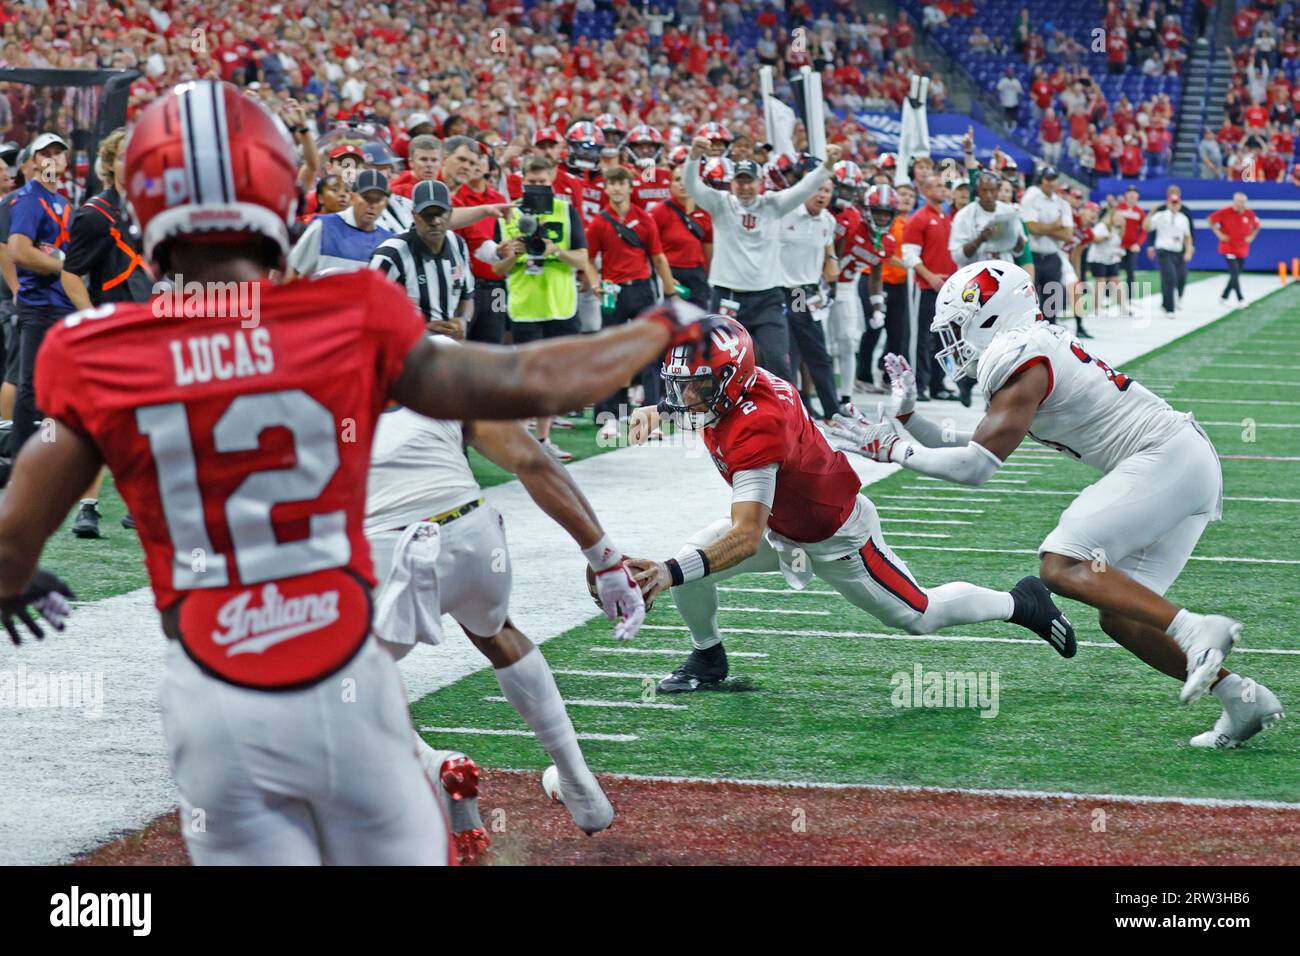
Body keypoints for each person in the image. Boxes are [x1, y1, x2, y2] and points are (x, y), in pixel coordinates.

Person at [0, 80, 721, 866]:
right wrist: (662, 323)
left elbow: (11, 541)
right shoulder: (347, 312)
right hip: (345, 673)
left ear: (139, 200)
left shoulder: (96, 349)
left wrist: (17, 581)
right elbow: (529, 385)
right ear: (280, 189)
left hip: (217, 700)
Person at [836, 260, 1283, 749]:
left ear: (991, 315)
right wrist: (908, 419)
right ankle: (1241, 698)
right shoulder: (1032, 349)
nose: (955, 342)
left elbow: (976, 467)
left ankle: (1197, 629)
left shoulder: (1021, 356)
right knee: (1123, 616)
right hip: (1183, 461)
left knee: (1060, 564)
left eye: (960, 327)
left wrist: (894, 450)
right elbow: (977, 441)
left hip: (1165, 458)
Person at [622, 319, 1075, 693]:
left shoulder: (757, 425)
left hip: (836, 537)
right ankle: (708, 657)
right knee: (689, 566)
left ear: (730, 379)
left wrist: (663, 573)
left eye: (695, 387)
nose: (685, 398)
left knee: (920, 616)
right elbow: (710, 404)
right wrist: (659, 410)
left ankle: (1021, 602)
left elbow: (744, 537)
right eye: (680, 387)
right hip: (784, 524)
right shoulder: (742, 388)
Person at [365, 385, 636, 851]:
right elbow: (532, 460)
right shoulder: (436, 357)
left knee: (339, 678)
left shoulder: (299, 369)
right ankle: (577, 781)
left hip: (385, 545)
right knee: (496, 632)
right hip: (471, 530)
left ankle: (434, 767)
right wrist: (605, 559)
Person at [684, 137, 841, 384]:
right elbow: (692, 186)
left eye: (750, 182)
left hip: (769, 298)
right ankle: (721, 418)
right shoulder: (721, 204)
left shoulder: (773, 205)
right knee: (720, 362)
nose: (745, 187)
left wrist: (828, 165)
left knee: (778, 361)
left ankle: (786, 419)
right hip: (728, 295)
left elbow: (804, 189)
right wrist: (693, 157)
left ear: (760, 183)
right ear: (732, 183)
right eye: (740, 182)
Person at [58, 128, 152, 538]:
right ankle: (88, 508)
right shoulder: (96, 215)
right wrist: (94, 319)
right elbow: (71, 277)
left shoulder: (151, 213)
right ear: (110, 164)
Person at [492, 155, 600, 459]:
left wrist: (556, 251)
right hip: (525, 304)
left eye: (542, 182)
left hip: (561, 304)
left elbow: (582, 258)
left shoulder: (566, 210)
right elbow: (498, 268)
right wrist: (513, 253)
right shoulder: (507, 213)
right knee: (528, 376)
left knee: (553, 375)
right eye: (532, 182)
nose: (537, 187)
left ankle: (543, 438)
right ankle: (521, 436)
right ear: (522, 180)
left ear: (553, 178)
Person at [585, 164, 678, 438]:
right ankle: (611, 417)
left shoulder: (644, 218)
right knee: (612, 354)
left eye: (620, 182)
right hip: (613, 292)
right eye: (610, 183)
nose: (615, 187)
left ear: (629, 186)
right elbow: (588, 259)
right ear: (606, 187)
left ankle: (649, 419)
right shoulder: (600, 222)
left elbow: (658, 258)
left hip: (642, 290)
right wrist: (595, 284)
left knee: (649, 354)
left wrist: (671, 293)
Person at [6, 132, 72, 452]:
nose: (53, 159)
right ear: (33, 162)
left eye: (59, 154)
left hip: (60, 302)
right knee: (31, 385)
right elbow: (18, 250)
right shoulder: (30, 198)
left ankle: (46, 450)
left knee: (53, 385)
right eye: (46, 154)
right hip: (39, 303)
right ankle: (21, 459)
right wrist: (64, 267)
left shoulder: (61, 201)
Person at [370, 180, 474, 340]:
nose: (435, 221)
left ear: (451, 213)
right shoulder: (390, 254)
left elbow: (467, 296)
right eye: (427, 215)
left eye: (440, 213)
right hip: (404, 352)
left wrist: (463, 319)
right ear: (414, 215)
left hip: (446, 349)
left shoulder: (458, 244)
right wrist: (420, 329)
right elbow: (368, 311)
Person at [779, 177, 840, 421]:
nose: (822, 195)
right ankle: (789, 412)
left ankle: (833, 412)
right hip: (783, 290)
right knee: (788, 356)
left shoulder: (828, 220)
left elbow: (829, 251)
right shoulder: (785, 214)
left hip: (809, 292)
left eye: (827, 190)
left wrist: (831, 265)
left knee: (818, 354)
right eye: (817, 189)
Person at [901, 174, 959, 401]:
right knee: (921, 337)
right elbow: (909, 255)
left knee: (944, 339)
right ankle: (919, 385)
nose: (943, 189)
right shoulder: (919, 218)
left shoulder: (949, 218)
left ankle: (938, 384)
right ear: (925, 191)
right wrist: (930, 277)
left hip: (948, 289)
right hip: (925, 287)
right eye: (938, 186)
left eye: (945, 186)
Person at [286, 169, 395, 277]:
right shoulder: (324, 227)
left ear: (385, 203)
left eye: (378, 199)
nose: (372, 205)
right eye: (366, 198)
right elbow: (293, 271)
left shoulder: (388, 242)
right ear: (352, 197)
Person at [649, 163, 713, 307]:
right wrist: (665, 278)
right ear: (671, 184)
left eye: (687, 179)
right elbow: (650, 248)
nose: (683, 184)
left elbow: (709, 251)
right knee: (672, 324)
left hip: (698, 275)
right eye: (678, 179)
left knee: (701, 323)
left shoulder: (705, 211)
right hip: (670, 273)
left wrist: (707, 277)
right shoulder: (659, 211)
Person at [1019, 165, 1073, 322]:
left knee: (1052, 301)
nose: (1050, 183)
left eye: (1053, 179)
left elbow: (1068, 234)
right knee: (1031, 300)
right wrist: (1056, 226)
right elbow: (1030, 227)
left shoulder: (1062, 204)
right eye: (1047, 179)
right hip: (1032, 256)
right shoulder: (1031, 198)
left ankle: (1051, 332)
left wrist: (1043, 227)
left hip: (1052, 257)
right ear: (1041, 180)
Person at [1143, 185, 1194, 316]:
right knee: (1169, 277)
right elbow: (1147, 228)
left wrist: (1188, 250)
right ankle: (1169, 308)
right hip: (1164, 250)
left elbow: (1187, 236)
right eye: (1172, 202)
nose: (1174, 205)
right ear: (1168, 203)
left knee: (1182, 276)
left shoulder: (1183, 218)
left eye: (1177, 203)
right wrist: (1150, 213)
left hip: (1178, 251)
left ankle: (1173, 300)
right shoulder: (1160, 215)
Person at [1207, 192, 1259, 303]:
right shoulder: (1225, 212)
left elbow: (1257, 225)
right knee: (1234, 273)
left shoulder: (1249, 213)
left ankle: (1224, 296)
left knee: (1236, 274)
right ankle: (1241, 299)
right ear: (1234, 201)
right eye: (1239, 201)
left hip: (1242, 248)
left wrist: (1251, 236)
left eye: (1243, 202)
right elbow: (1210, 220)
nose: (1241, 204)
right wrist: (1219, 234)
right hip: (1228, 248)